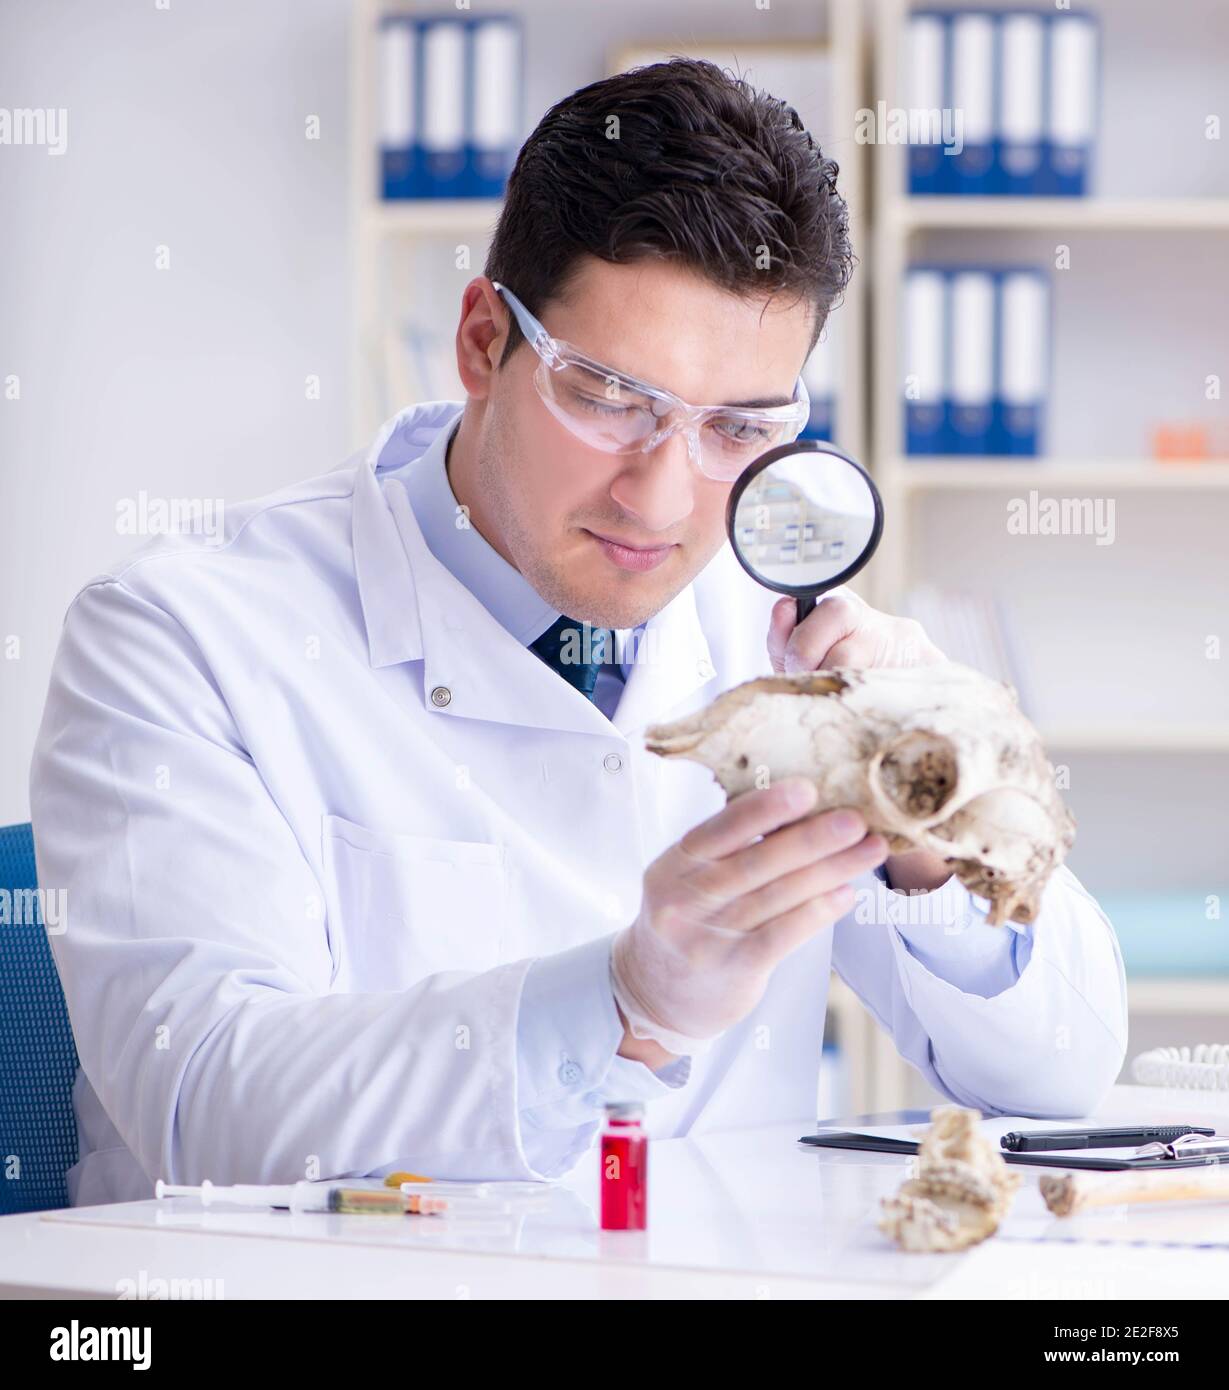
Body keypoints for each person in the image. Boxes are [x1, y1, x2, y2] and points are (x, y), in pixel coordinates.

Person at [30, 59, 1127, 1206]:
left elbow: (1060, 1070)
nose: (660, 498)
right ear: (478, 342)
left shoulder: (781, 635)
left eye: (737, 426)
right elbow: (201, 1105)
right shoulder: (180, 633)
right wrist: (620, 1001)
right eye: (607, 398)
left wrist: (930, 830)